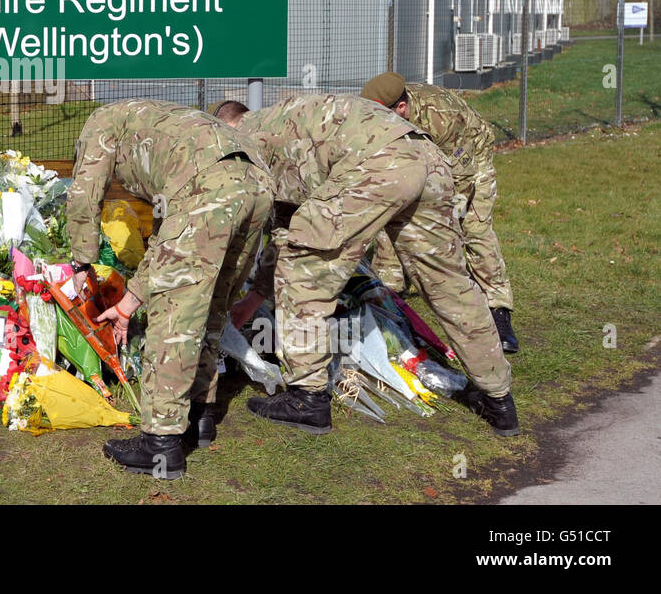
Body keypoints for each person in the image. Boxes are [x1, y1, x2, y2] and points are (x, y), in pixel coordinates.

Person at [214, 95, 517, 437]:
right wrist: (255, 298)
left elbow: (283, 236)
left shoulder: (248, 141)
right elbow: (287, 221)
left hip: (374, 164)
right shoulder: (286, 114)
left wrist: (248, 293)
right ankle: (497, 397)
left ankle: (307, 399)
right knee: (448, 282)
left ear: (229, 128)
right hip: (425, 155)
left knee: (304, 274)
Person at [66, 99, 275, 479]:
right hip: (257, 184)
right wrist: (132, 299)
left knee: (173, 316)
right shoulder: (163, 127)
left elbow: (84, 194)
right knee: (210, 303)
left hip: (208, 188)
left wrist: (81, 261)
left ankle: (160, 444)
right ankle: (199, 416)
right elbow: (168, 243)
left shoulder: (100, 124)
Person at [361, 71, 518, 352]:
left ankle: (498, 309)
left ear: (401, 108)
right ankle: (389, 294)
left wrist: (442, 221)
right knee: (393, 213)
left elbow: (462, 177)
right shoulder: (382, 118)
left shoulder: (441, 117)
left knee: (474, 228)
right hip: (418, 155)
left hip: (469, 156)